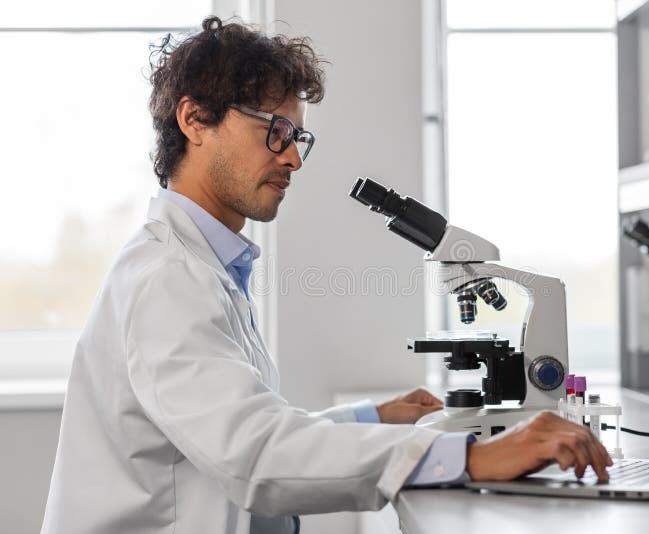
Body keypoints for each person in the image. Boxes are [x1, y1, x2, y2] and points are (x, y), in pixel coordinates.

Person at [40, 16, 611, 534]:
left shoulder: (203, 266)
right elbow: (256, 455)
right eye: (275, 131)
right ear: (194, 120)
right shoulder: (165, 277)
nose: (292, 158)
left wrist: (371, 418)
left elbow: (238, 428)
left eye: (297, 137)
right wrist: (470, 458)